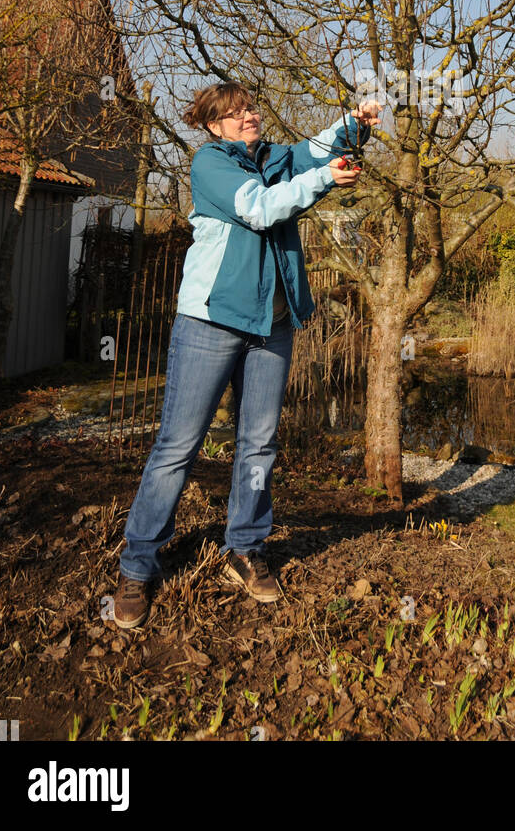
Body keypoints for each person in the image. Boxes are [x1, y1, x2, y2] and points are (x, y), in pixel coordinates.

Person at [111, 80, 382, 629]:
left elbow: (316, 149)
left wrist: (355, 122)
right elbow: (260, 209)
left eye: (251, 109)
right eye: (234, 114)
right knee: (177, 447)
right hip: (211, 322)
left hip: (272, 325)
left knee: (258, 446)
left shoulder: (272, 158)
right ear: (214, 126)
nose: (247, 118)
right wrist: (324, 179)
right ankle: (138, 565)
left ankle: (246, 548)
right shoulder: (211, 165)